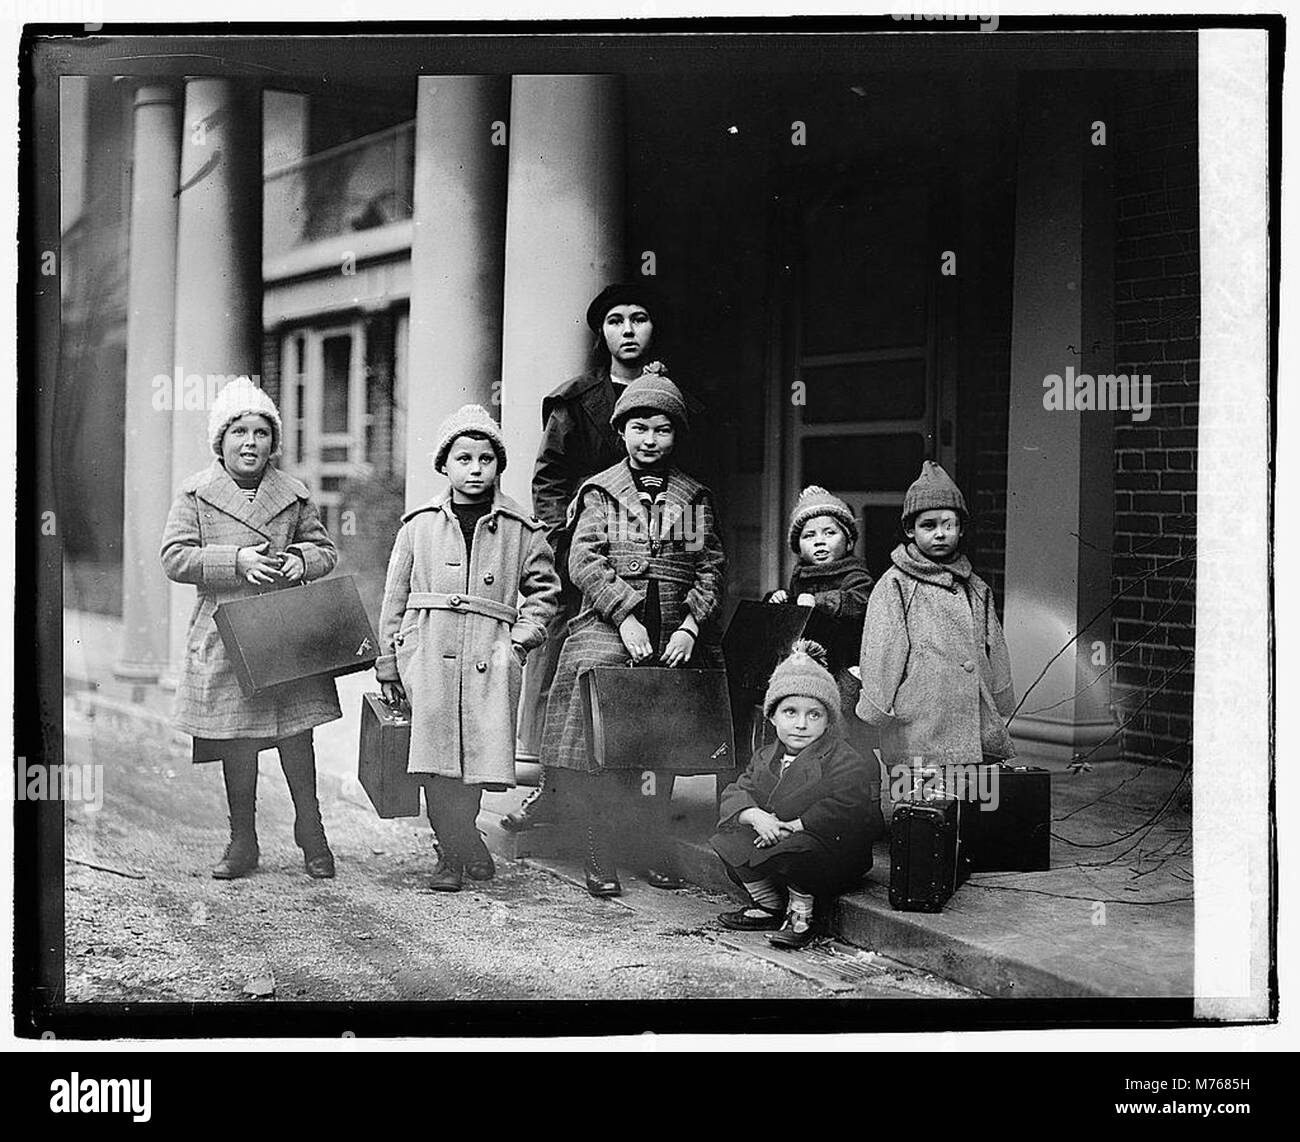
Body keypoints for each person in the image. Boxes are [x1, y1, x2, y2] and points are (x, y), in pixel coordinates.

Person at [508, 281, 698, 832]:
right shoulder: (575, 402)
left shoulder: (672, 400)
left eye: (639, 318)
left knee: (651, 673)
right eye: (616, 321)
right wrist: (566, 539)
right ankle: (549, 785)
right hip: (584, 554)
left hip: (656, 553)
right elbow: (549, 480)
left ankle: (634, 802)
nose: (629, 330)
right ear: (602, 334)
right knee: (562, 666)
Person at [538, 372, 725, 897]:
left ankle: (650, 843)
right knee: (604, 728)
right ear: (621, 431)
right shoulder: (600, 491)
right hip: (610, 621)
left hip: (676, 626)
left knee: (661, 742)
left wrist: (691, 625)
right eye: (639, 428)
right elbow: (584, 561)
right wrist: (623, 614)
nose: (650, 440)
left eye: (662, 430)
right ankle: (600, 847)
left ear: (675, 436)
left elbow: (710, 567)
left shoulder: (693, 498)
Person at [160, 376, 340, 880]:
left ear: (273, 442)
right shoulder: (196, 494)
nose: (250, 443)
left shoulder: (294, 494)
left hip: (285, 634)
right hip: (226, 632)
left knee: (296, 735)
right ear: (221, 441)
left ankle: (312, 832)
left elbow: (325, 550)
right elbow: (174, 558)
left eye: (261, 433)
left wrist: (300, 562)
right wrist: (234, 560)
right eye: (239, 432)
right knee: (237, 740)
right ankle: (243, 839)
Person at [374, 405, 560, 891]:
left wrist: (518, 643)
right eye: (463, 459)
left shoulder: (521, 529)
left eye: (485, 459)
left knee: (475, 761)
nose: (475, 469)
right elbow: (394, 596)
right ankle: (454, 854)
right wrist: (390, 662)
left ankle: (462, 841)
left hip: (489, 655)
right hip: (429, 649)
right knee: (436, 761)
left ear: (499, 465)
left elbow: (544, 595)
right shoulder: (419, 525)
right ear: (445, 465)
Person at [856, 460, 1016, 807]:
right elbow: (882, 649)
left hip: (972, 710)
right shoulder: (895, 585)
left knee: (970, 797)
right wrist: (877, 708)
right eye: (929, 525)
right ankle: (916, 836)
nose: (940, 533)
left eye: (949, 524)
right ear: (910, 530)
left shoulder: (976, 587)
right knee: (917, 796)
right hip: (920, 710)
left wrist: (1001, 694)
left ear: (961, 529)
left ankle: (962, 836)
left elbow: (996, 645)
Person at [711, 641, 882, 950]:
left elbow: (848, 807)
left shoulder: (843, 758)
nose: (801, 724)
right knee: (728, 837)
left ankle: (802, 914)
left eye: (814, 715)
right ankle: (769, 903)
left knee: (800, 850)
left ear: (829, 720)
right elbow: (739, 790)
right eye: (790, 712)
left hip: (827, 849)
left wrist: (793, 825)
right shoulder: (765, 756)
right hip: (777, 840)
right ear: (772, 716)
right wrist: (756, 816)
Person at [767, 485, 874, 756]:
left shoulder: (855, 574)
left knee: (843, 719)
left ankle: (854, 775)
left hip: (847, 662)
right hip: (812, 664)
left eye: (830, 533)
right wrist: (779, 598)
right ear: (798, 546)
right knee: (807, 716)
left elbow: (859, 601)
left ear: (848, 542)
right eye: (809, 535)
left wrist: (821, 601)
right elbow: (795, 610)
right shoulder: (801, 575)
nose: (819, 541)